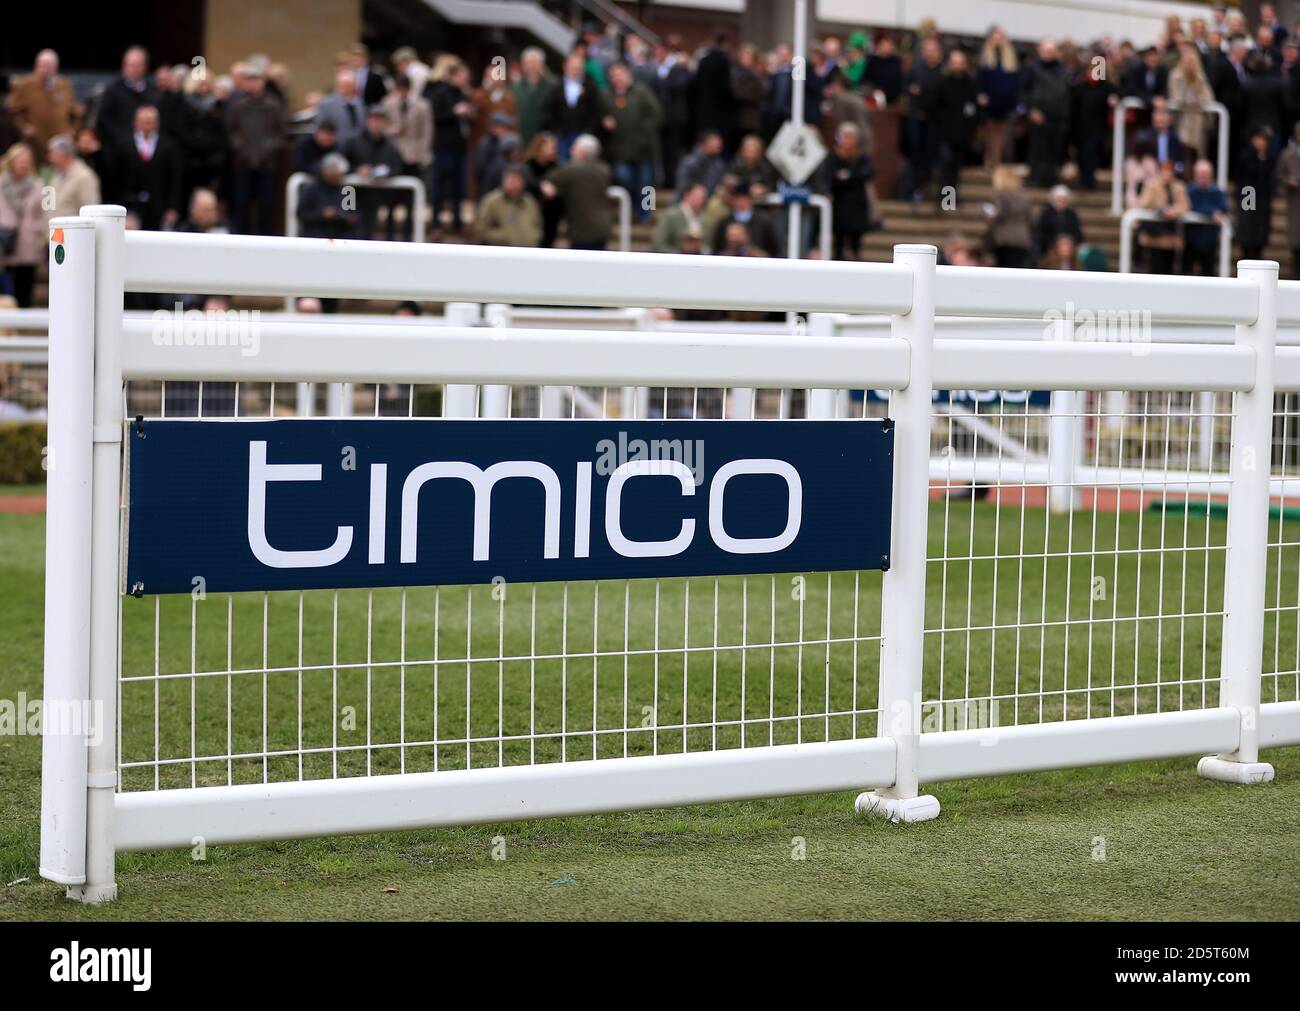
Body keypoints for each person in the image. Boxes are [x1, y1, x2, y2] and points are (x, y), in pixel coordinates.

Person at [224, 64, 284, 235]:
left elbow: (279, 132)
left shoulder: (273, 105)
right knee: (242, 204)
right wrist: (243, 150)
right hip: (243, 162)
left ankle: (265, 239)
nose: (253, 84)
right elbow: (231, 131)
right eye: (249, 79)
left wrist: (266, 150)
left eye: (256, 79)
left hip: (267, 163)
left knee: (266, 205)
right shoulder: (237, 105)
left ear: (263, 82)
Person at [600, 62, 662, 222]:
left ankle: (646, 215)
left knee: (647, 185)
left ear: (628, 74)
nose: (617, 78)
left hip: (644, 148)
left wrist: (644, 133)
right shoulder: (607, 95)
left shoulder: (642, 91)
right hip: (620, 149)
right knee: (624, 177)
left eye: (620, 74)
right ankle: (634, 207)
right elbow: (600, 115)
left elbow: (657, 114)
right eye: (613, 75)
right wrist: (605, 121)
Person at [540, 133, 611, 250]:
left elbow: (549, 178)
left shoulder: (573, 171)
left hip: (583, 230)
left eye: (574, 148)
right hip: (602, 227)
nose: (571, 151)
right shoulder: (604, 169)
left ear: (582, 152)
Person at [7, 50, 78, 165]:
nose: (43, 69)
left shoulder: (64, 85)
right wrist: (24, 127)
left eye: (47, 66)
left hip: (60, 141)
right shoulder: (25, 85)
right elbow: (13, 111)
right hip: (36, 142)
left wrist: (72, 130)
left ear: (55, 67)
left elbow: (74, 112)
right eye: (40, 65)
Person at [343, 105, 404, 240]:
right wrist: (356, 170)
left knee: (369, 229)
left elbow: (397, 166)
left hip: (374, 194)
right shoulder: (353, 141)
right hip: (351, 194)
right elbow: (342, 164)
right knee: (348, 226)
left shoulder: (390, 144)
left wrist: (385, 173)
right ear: (367, 121)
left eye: (380, 120)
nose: (376, 123)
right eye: (373, 119)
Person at [117, 105, 181, 231]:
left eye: (150, 121)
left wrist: (173, 208)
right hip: (131, 207)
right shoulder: (123, 145)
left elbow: (175, 179)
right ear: (135, 123)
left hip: (159, 207)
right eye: (144, 121)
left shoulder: (169, 146)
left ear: (157, 123)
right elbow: (117, 178)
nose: (147, 125)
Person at [430, 60, 474, 236]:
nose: (465, 80)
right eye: (463, 76)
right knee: (439, 187)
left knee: (459, 188)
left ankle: (458, 223)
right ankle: (436, 224)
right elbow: (436, 117)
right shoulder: (440, 93)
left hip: (460, 148)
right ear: (453, 76)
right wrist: (454, 111)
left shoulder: (464, 94)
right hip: (443, 147)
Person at [0, 143, 47, 307]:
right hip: (5, 245)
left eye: (27, 161)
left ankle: (24, 325)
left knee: (25, 288)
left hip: (29, 246)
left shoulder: (40, 186)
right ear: (11, 162)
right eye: (20, 161)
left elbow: (48, 212)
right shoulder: (0, 185)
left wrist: (41, 235)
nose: (24, 164)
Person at [1021, 39, 1070, 189]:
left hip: (1058, 116)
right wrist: (1031, 109)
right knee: (1037, 149)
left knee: (1054, 149)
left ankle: (1051, 178)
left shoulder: (1062, 69)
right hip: (1039, 115)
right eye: (1046, 50)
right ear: (1040, 51)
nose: (1049, 53)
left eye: (1052, 50)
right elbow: (1023, 91)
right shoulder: (1032, 68)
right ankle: (1034, 178)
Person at [824, 123, 874, 260]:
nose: (848, 141)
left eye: (851, 137)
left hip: (857, 206)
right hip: (839, 207)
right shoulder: (833, 157)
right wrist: (851, 176)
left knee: (856, 243)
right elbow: (831, 177)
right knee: (838, 243)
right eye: (845, 137)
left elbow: (866, 174)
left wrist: (847, 175)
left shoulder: (862, 157)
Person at [95, 46, 160, 150]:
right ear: (124, 66)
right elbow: (104, 119)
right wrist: (122, 138)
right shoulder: (113, 89)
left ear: (145, 66)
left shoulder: (153, 90)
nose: (134, 69)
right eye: (131, 65)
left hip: (149, 145)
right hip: (119, 145)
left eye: (138, 65)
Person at [935, 50, 978, 200]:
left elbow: (973, 108)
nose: (957, 66)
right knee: (946, 165)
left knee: (955, 168)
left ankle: (951, 198)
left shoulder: (970, 84)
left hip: (962, 133)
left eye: (960, 63)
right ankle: (946, 199)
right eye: (954, 63)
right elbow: (936, 106)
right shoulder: (943, 82)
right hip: (945, 132)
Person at [545, 52, 602, 161]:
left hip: (582, 133)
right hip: (561, 134)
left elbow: (595, 110)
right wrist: (555, 130)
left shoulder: (590, 86)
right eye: (573, 66)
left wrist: (588, 130)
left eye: (578, 67)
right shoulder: (556, 85)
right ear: (565, 67)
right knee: (562, 161)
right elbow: (550, 109)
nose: (576, 69)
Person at [1137, 158, 1190, 273]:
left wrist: (1173, 212)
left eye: (1170, 171)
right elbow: (1144, 203)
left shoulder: (1178, 186)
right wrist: (1160, 210)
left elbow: (1185, 206)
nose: (1167, 174)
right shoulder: (1151, 185)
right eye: (1165, 170)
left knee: (1169, 268)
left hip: (1171, 235)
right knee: (1155, 267)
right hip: (1155, 235)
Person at [976, 28, 1018, 170]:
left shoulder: (1010, 58)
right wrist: (981, 93)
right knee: (989, 130)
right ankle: (989, 157)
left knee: (1001, 131)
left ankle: (997, 159)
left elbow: (1014, 81)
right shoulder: (986, 58)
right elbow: (980, 79)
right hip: (989, 100)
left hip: (1004, 101)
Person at [1167, 44, 1215, 160]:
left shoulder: (1200, 77)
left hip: (1197, 121)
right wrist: (1185, 101)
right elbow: (1174, 95)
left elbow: (1208, 96)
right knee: (1181, 151)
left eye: (1191, 63)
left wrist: (1200, 101)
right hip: (1181, 119)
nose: (1188, 66)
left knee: (1198, 154)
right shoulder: (1175, 76)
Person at [475, 164, 542, 247]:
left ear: (523, 181)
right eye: (509, 178)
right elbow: (481, 230)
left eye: (516, 178)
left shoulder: (529, 201)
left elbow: (538, 226)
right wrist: (505, 237)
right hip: (501, 252)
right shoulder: (491, 201)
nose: (512, 182)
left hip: (528, 251)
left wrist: (533, 237)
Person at [298, 152, 358, 241]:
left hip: (341, 236)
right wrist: (322, 214)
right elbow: (301, 213)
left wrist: (346, 217)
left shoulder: (347, 191)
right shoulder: (312, 189)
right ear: (326, 173)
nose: (339, 178)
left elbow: (353, 215)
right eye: (336, 175)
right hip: (316, 234)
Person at [1237, 127, 1277, 261]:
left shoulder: (1270, 158)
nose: (1261, 143)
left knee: (1260, 233)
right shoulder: (1246, 156)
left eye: (1264, 140)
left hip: (1263, 200)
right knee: (1247, 232)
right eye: (1259, 139)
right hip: (1248, 197)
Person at [1184, 158, 1228, 276]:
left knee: (1208, 273)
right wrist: (1211, 212)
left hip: (1210, 241)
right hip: (1191, 240)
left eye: (1205, 175)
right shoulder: (1190, 190)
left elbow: (1223, 208)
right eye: (1200, 175)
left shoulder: (1217, 192)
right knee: (1187, 273)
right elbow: (1190, 206)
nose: (1203, 178)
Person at [983, 165, 1032, 268]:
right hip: (1022, 239)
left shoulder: (1001, 195)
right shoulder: (1024, 197)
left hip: (1004, 239)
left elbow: (1000, 214)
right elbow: (1030, 219)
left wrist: (990, 217)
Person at [46, 134, 100, 219]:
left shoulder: (84, 177)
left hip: (72, 230)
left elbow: (91, 212)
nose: (50, 158)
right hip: (53, 230)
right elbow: (48, 206)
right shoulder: (55, 177)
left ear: (63, 155)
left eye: (52, 154)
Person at [523, 131, 562, 247]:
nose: (554, 150)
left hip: (550, 214)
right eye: (551, 147)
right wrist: (540, 186)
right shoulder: (528, 165)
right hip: (531, 212)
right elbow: (527, 183)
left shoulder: (556, 166)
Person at [512, 47, 555, 147]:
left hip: (543, 137)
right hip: (520, 136)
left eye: (534, 62)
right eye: (528, 62)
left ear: (542, 64)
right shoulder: (515, 86)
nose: (531, 66)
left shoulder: (552, 86)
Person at [315, 69, 366, 149]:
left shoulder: (359, 104)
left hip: (357, 148)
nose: (346, 88)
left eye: (349, 85)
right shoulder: (327, 104)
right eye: (343, 85)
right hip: (336, 146)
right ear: (338, 85)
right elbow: (320, 127)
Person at [652, 181, 708, 252]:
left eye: (703, 198)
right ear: (687, 195)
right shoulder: (670, 215)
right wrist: (680, 253)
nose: (702, 200)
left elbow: (707, 244)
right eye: (699, 197)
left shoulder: (703, 218)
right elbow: (658, 243)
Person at [1032, 185, 1083, 260]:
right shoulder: (1046, 214)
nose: (1061, 203)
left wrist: (1067, 242)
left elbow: (1077, 232)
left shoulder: (1071, 215)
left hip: (1068, 248)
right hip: (1049, 248)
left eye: (1064, 200)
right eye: (1059, 200)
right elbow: (1040, 232)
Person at [675, 131, 726, 197]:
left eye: (719, 144)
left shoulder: (719, 164)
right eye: (714, 142)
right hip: (688, 199)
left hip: (709, 200)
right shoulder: (690, 162)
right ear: (704, 144)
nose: (718, 145)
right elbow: (682, 187)